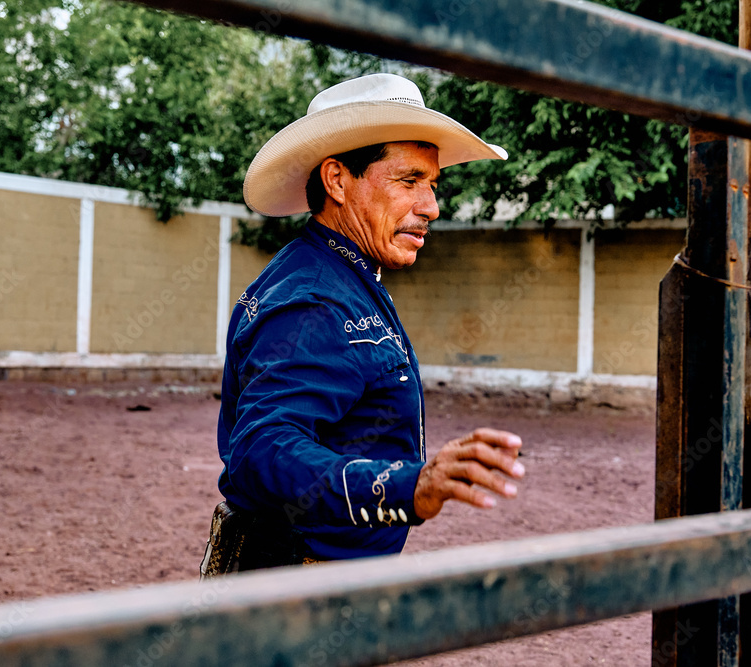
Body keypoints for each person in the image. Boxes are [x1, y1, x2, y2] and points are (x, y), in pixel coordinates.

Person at [202, 73, 525, 574]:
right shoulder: (314, 299)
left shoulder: (338, 276)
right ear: (337, 180)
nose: (431, 207)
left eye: (433, 184)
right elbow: (262, 451)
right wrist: (406, 487)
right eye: (409, 180)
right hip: (296, 594)